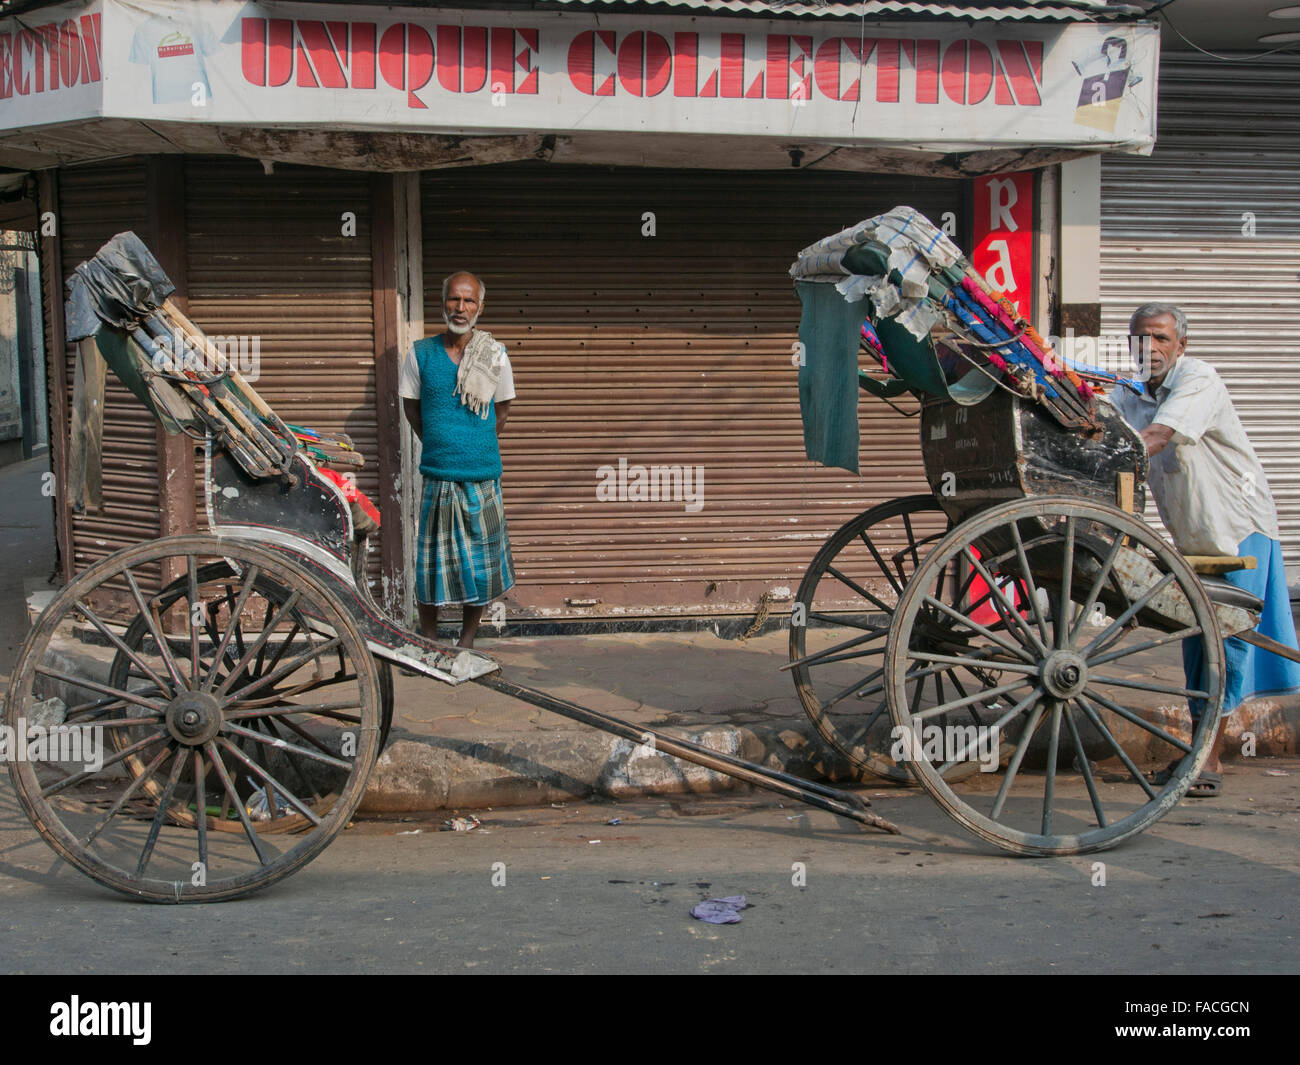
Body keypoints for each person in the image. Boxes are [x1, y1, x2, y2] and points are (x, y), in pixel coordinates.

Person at [1108, 302, 1300, 796]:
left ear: (1181, 345)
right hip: (1193, 539)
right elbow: (1101, 424)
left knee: (1227, 644)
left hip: (1238, 530)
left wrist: (1107, 449)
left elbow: (1156, 436)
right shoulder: (1130, 391)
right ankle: (1200, 752)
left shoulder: (1199, 379)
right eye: (1140, 339)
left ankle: (1208, 758)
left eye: (1160, 338)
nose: (1149, 348)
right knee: (1197, 644)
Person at [398, 270, 516, 648]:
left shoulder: (494, 355)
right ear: (442, 302)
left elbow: (502, 411)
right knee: (431, 567)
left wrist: (473, 443)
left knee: (480, 568)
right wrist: (441, 442)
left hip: (482, 474)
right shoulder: (420, 354)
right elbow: (412, 409)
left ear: (480, 307)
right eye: (454, 299)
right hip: (438, 474)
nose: (460, 308)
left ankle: (465, 643)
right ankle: (428, 642)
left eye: (468, 301)